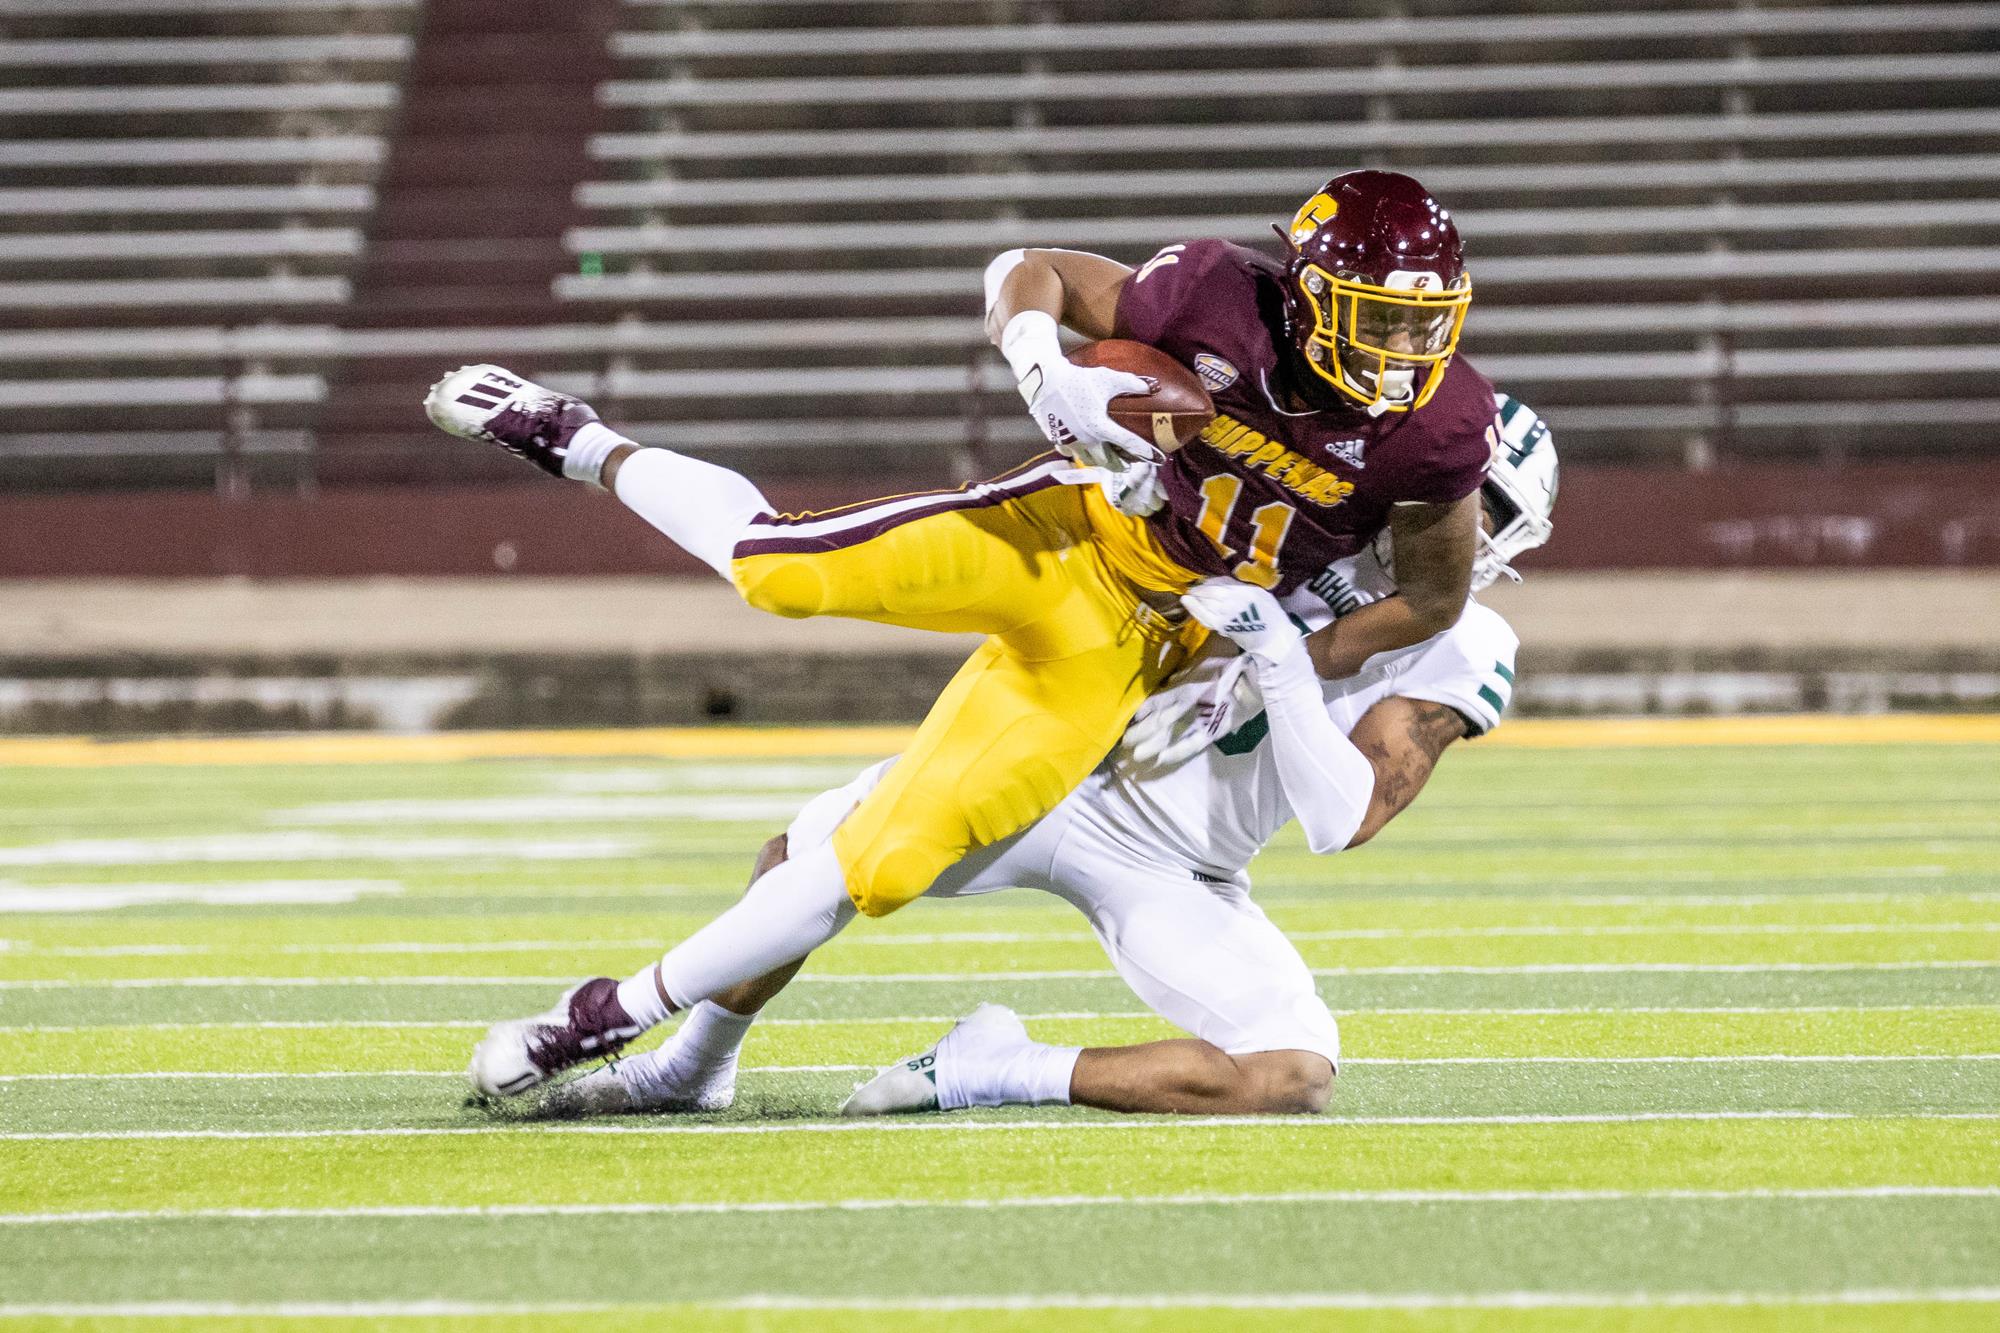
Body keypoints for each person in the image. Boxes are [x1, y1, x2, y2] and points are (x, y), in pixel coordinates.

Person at [429, 170, 1506, 1098]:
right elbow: (1024, 268)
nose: (1405, 348)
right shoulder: (1216, 294)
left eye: (1424, 322)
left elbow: (1431, 598)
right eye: (1378, 318)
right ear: (1308, 294)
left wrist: (1282, 648)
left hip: (1140, 635)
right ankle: (578, 439)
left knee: (883, 859)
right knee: (775, 571)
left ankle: (603, 1016)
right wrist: (1046, 367)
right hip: (1061, 525)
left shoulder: (1441, 429)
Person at [513, 401, 1559, 1118]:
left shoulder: (1462, 647)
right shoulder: (1293, 522)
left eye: (1488, 517)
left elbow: (1349, 819)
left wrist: (1282, 663)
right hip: (1057, 768)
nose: (1452, 532)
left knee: (1289, 1072)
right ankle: (693, 1067)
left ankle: (996, 1066)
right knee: (804, 857)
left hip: (1178, 867)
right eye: (1449, 504)